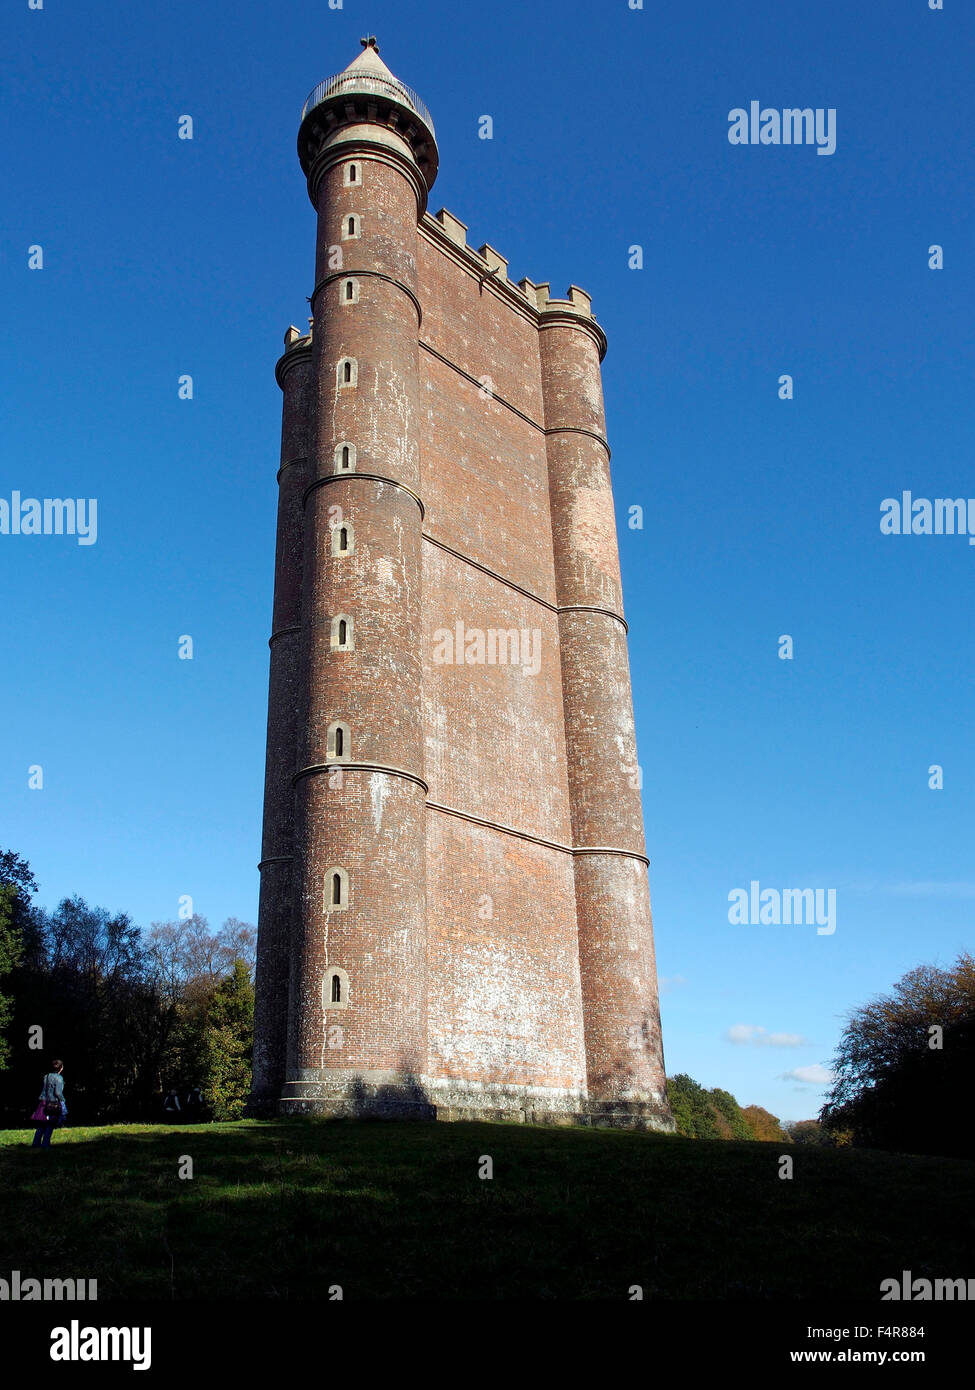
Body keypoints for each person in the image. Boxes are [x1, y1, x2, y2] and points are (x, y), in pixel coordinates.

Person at [31, 1060, 66, 1148]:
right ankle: (45, 1144)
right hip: (52, 1103)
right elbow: (58, 1092)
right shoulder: (59, 1078)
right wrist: (63, 1101)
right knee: (50, 1124)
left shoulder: (46, 1076)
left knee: (41, 1124)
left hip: (42, 1102)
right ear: (61, 1068)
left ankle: (35, 1144)